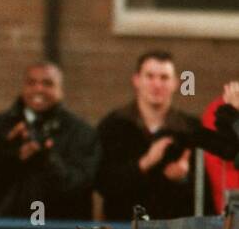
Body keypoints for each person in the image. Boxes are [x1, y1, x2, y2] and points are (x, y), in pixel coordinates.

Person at [95, 51, 239, 220]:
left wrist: (184, 178)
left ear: (175, 83)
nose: (157, 84)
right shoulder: (113, 126)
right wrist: (144, 163)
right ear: (136, 80)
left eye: (164, 78)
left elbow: (205, 194)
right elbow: (102, 183)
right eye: (150, 76)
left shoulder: (191, 128)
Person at [0, 62, 100, 221]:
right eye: (31, 83)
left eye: (47, 83)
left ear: (60, 90)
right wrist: (12, 154)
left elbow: (81, 184)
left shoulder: (81, 132)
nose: (38, 89)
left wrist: (46, 157)